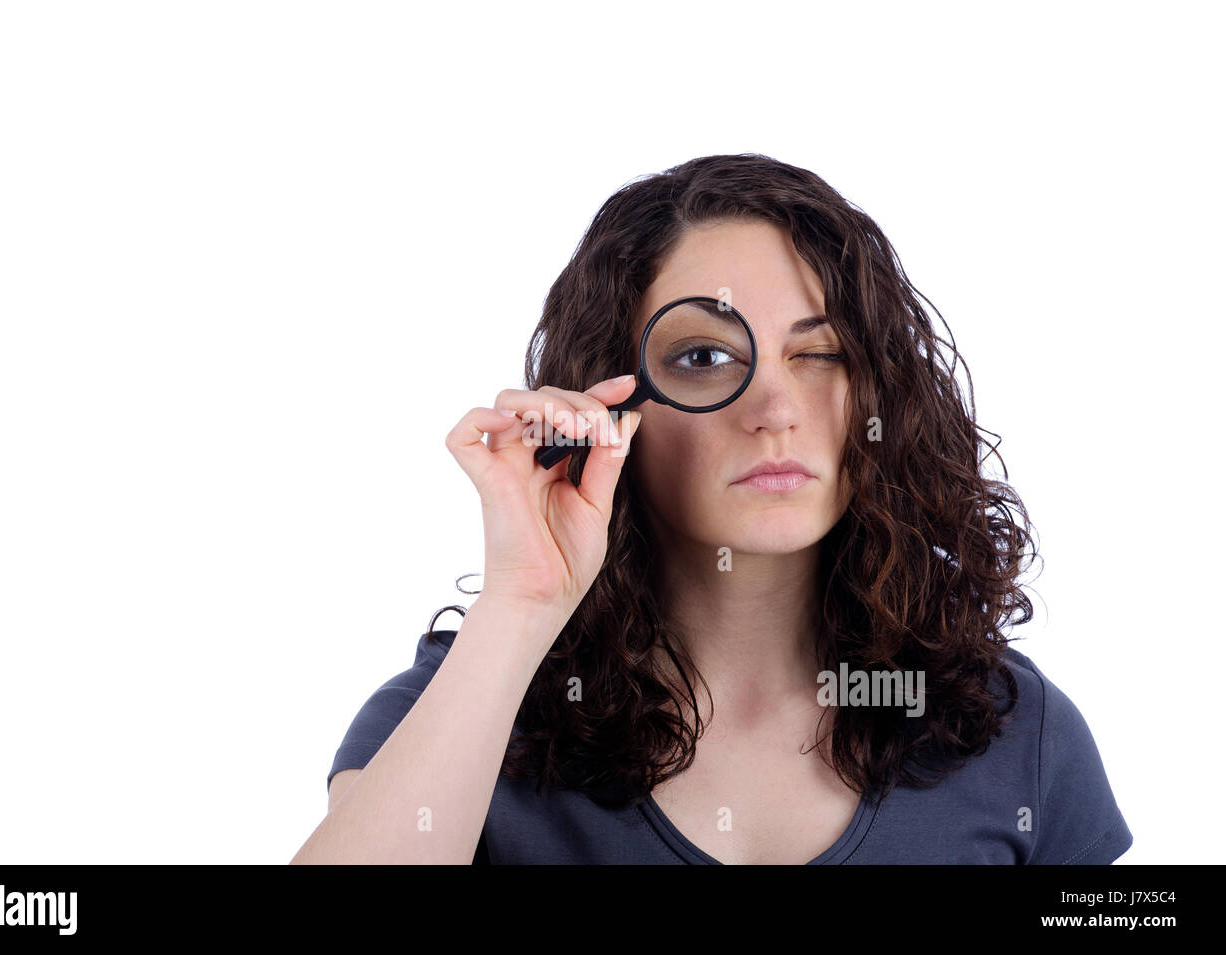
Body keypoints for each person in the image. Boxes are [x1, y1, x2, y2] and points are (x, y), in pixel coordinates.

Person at [290, 153, 1132, 865]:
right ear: (613, 403)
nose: (774, 406)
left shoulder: (1015, 732)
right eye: (703, 355)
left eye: (823, 353)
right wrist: (522, 601)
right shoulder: (462, 711)